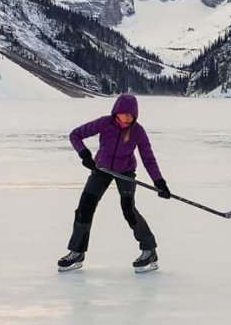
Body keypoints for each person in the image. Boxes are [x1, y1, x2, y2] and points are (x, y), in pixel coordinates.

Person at [57, 93, 171, 274]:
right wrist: (85, 155)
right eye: (125, 113)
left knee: (128, 209)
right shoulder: (104, 123)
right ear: (116, 112)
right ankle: (77, 252)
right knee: (84, 208)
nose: (128, 118)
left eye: (131, 115)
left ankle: (149, 251)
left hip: (125, 171)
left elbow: (148, 158)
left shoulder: (137, 131)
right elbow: (75, 135)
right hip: (101, 169)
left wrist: (159, 182)